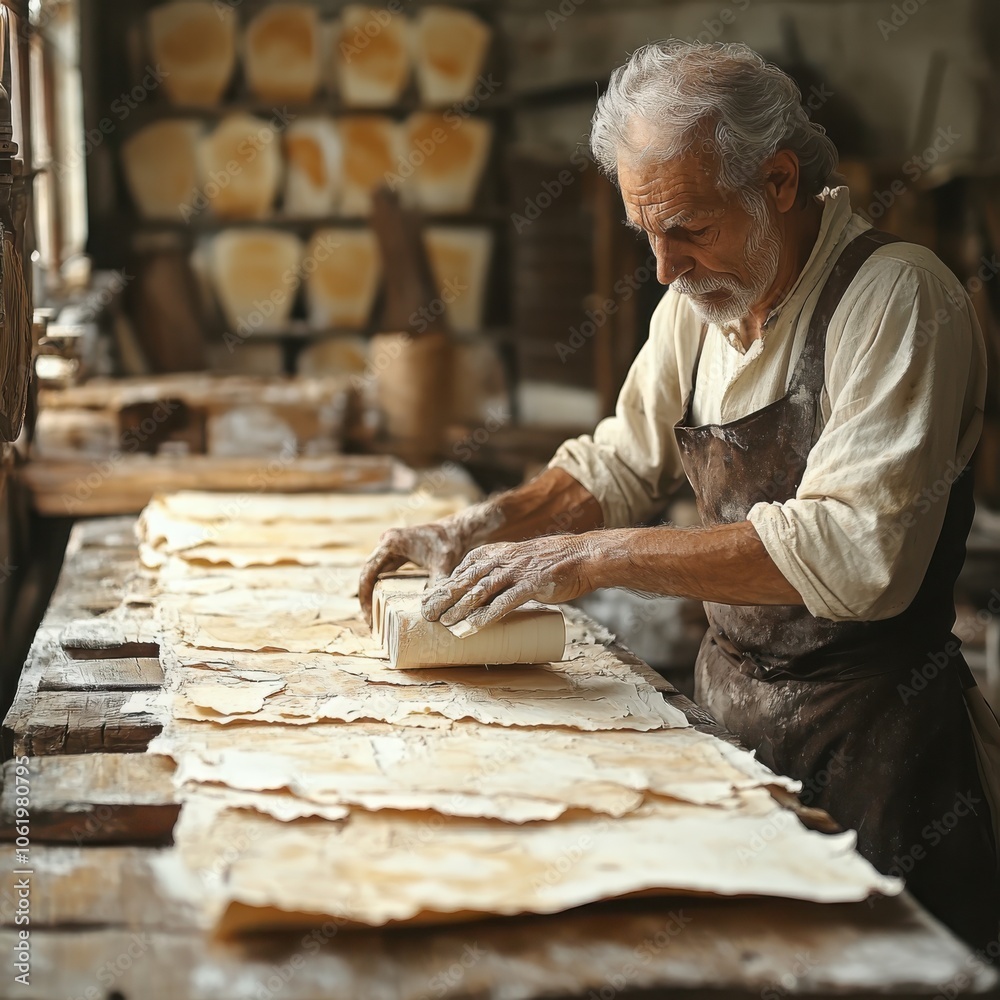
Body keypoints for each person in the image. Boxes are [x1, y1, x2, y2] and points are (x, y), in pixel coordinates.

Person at [359, 40, 1000, 952]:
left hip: (884, 749)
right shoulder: (692, 310)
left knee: (882, 964)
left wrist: (592, 559)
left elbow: (857, 555)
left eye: (689, 228)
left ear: (778, 182)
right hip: (732, 724)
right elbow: (618, 465)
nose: (663, 269)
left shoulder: (897, 300)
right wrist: (478, 528)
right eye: (645, 235)